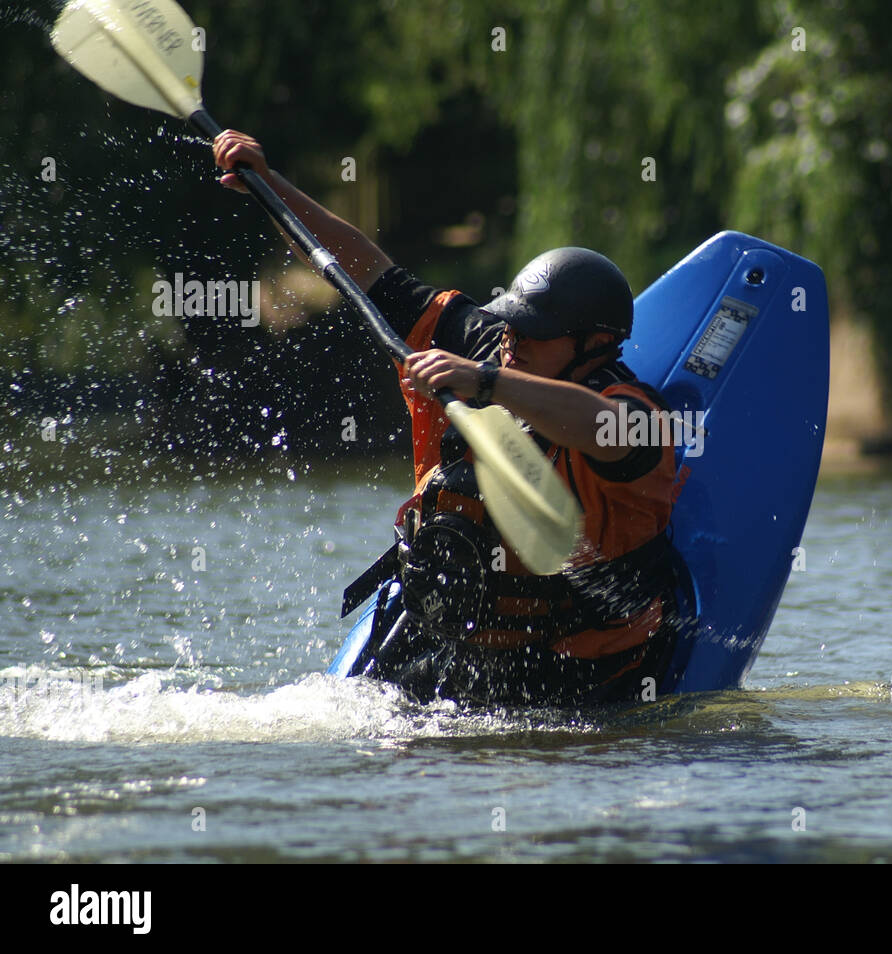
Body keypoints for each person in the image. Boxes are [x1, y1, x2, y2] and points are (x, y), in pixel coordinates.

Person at [212, 130, 683, 707]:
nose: (511, 340)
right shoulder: (488, 343)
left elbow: (600, 425)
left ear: (596, 345)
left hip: (572, 668)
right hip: (443, 633)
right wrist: (269, 185)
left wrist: (487, 383)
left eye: (533, 331)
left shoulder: (636, 418)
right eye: (509, 323)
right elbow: (364, 271)